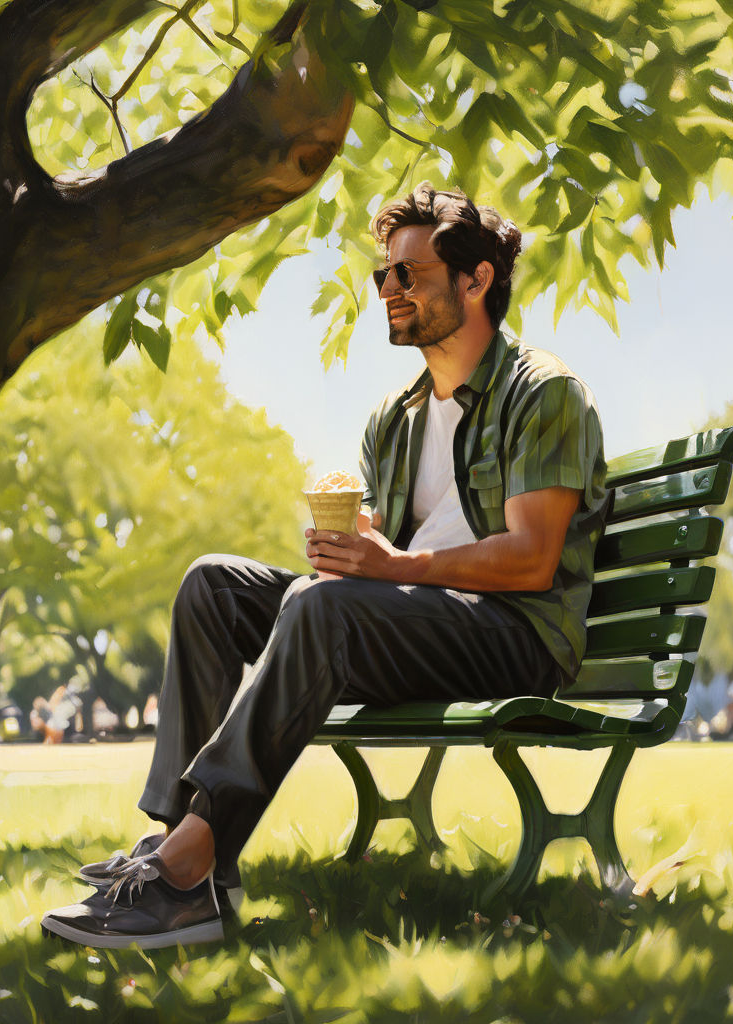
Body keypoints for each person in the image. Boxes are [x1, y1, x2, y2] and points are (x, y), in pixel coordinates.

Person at [41, 183, 609, 949]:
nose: (389, 290)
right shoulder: (396, 414)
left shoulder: (542, 393)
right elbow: (385, 559)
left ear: (476, 281)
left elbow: (534, 561)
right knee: (215, 584)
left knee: (322, 607)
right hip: (419, 623)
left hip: (516, 637)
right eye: (384, 275)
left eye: (410, 274)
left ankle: (179, 876)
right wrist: (355, 549)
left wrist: (390, 564)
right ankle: (191, 853)